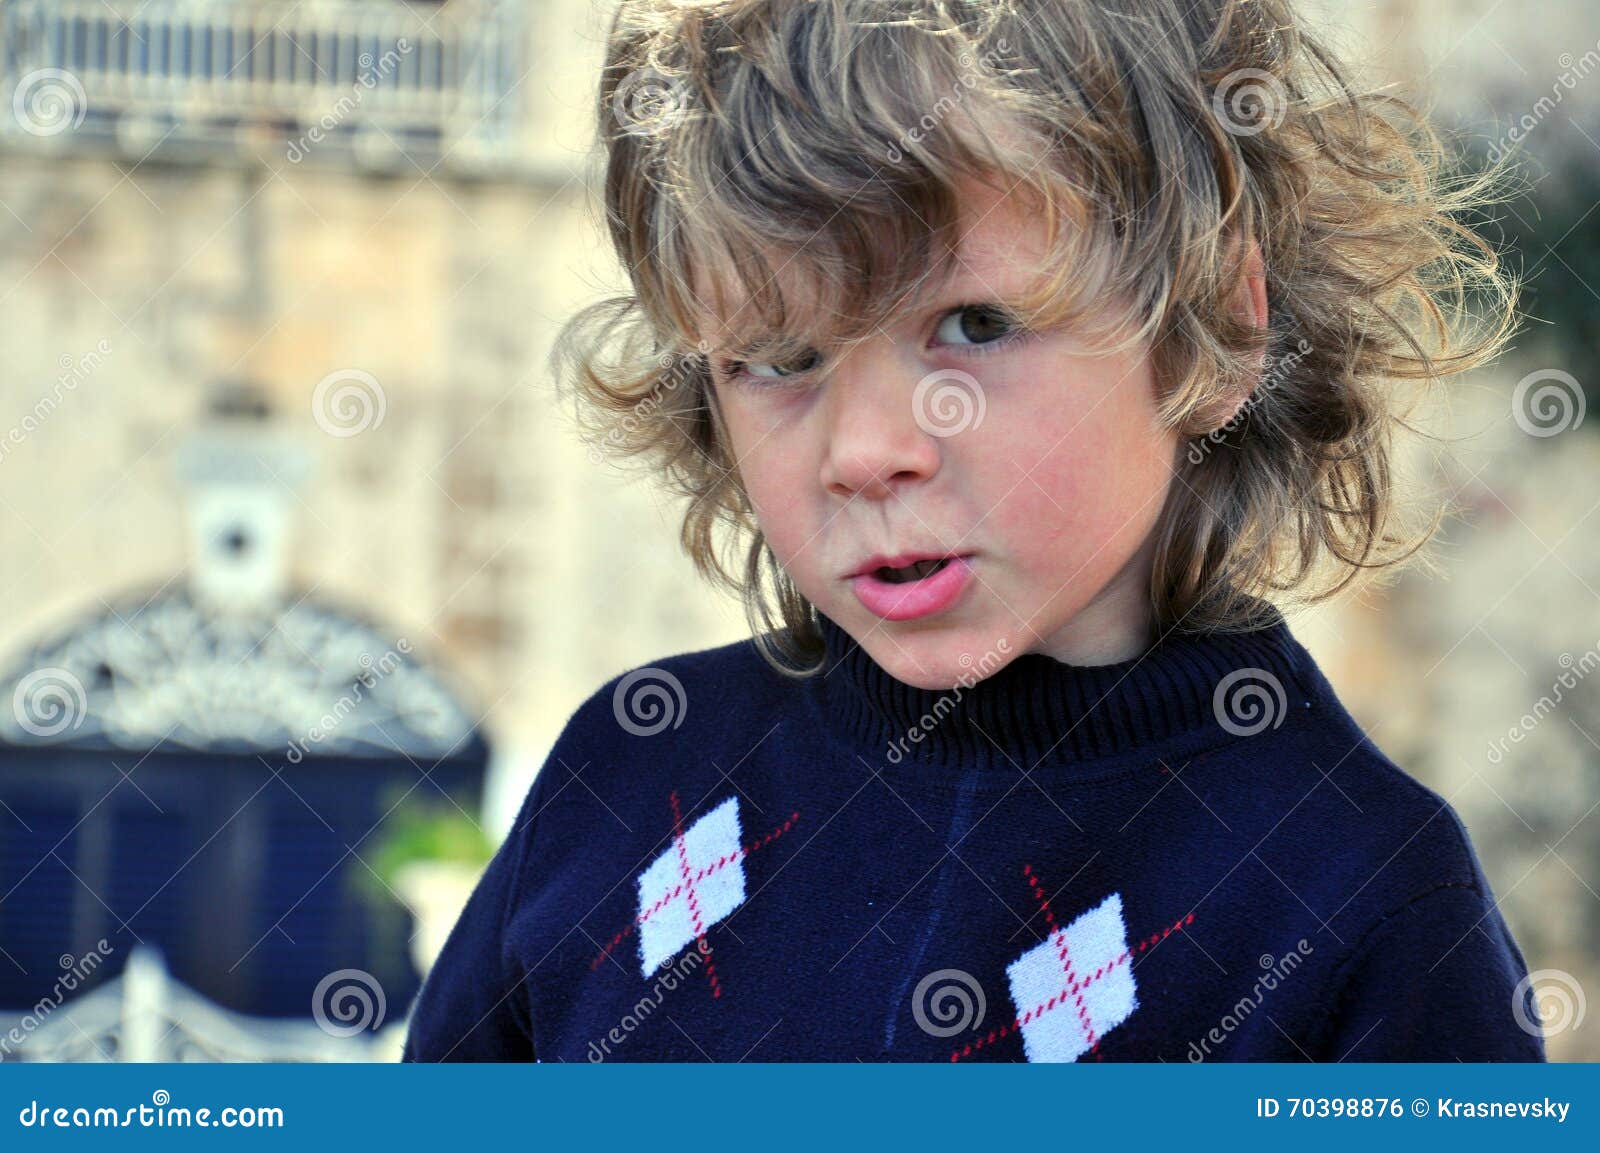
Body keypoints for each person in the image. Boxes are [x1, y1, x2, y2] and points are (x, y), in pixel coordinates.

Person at [403, 0, 1542, 1062]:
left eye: (975, 325)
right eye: (781, 359)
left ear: (1215, 329)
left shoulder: (1362, 902)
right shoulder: (626, 779)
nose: (862, 451)